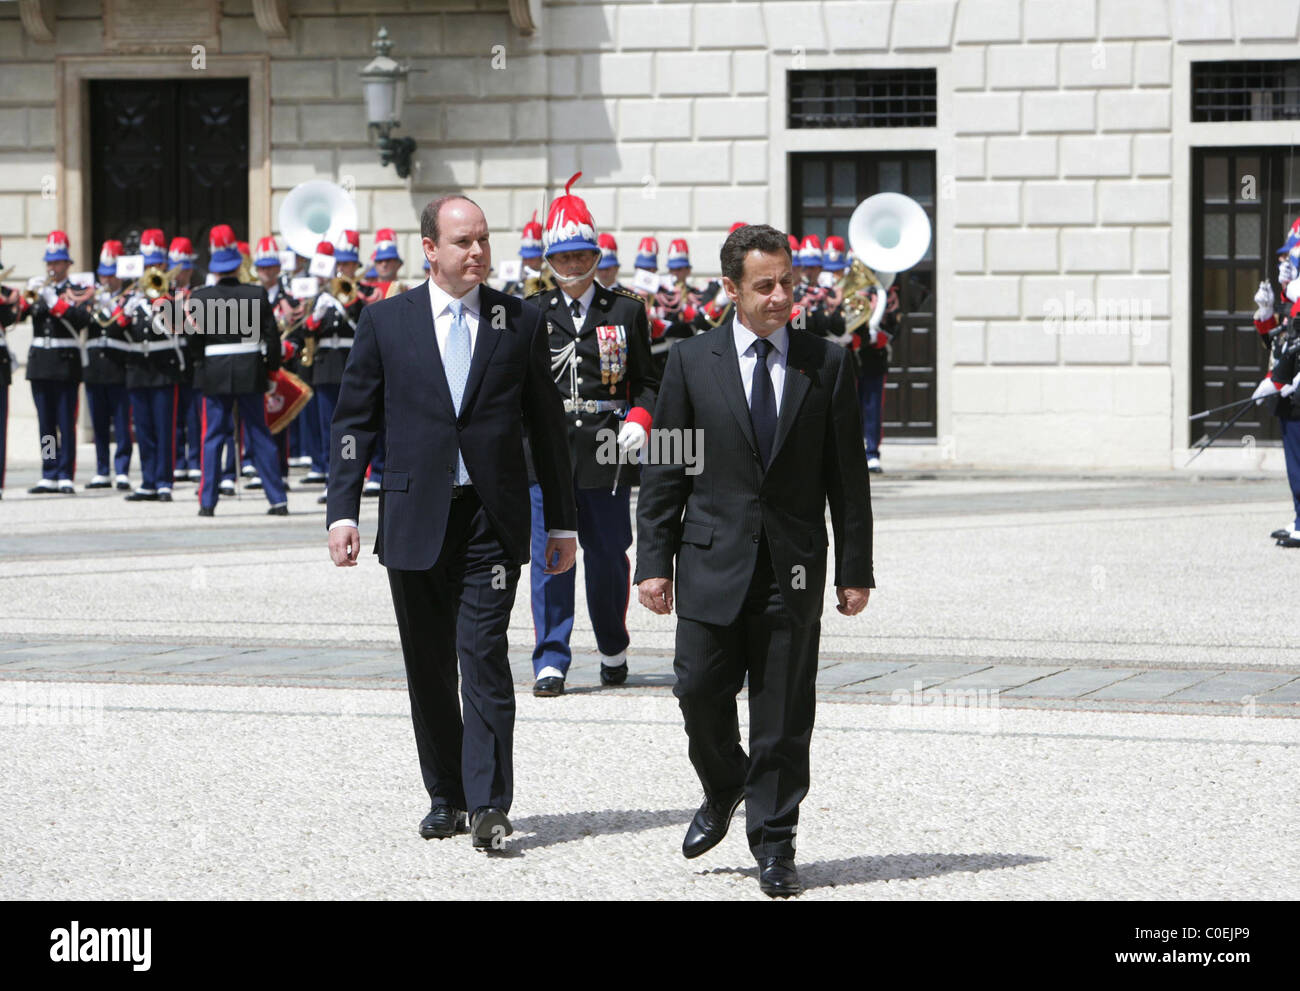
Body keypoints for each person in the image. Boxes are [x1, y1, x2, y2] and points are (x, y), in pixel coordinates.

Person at [326, 194, 577, 851]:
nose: (477, 253)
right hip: (413, 517)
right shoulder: (385, 322)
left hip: (491, 520)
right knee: (430, 664)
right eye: (463, 242)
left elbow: (549, 431)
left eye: (484, 240)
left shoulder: (518, 322)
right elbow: (353, 422)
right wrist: (341, 510)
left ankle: (491, 803)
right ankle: (447, 794)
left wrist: (563, 524)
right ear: (430, 249)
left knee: (483, 656)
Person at [635, 223, 875, 898]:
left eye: (787, 284)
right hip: (710, 560)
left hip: (791, 569)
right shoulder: (689, 361)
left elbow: (847, 476)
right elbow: (664, 474)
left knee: (783, 716)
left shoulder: (825, 362)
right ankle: (723, 782)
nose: (779, 297)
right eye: (764, 285)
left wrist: (856, 567)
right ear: (732, 288)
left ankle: (776, 843)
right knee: (696, 689)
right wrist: (652, 561)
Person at [524, 173, 657, 697]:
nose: (574, 265)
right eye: (565, 256)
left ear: (596, 253)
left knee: (606, 555)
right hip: (548, 453)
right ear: (548, 259)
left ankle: (612, 645)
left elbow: (647, 382)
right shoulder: (530, 313)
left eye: (583, 255)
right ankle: (551, 658)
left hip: (607, 448)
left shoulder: (626, 310)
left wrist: (640, 421)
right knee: (551, 555)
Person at [188, 223, 287, 516]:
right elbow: (272, 338)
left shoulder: (199, 297)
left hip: (215, 372)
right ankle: (277, 499)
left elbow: (193, 342)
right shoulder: (257, 294)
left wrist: (201, 365)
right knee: (258, 433)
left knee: (213, 436)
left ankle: (207, 503)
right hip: (250, 371)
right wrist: (271, 372)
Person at [25, 231, 91, 494]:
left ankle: (66, 473)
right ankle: (49, 470)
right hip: (41, 362)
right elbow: (25, 313)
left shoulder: (77, 290)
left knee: (66, 422)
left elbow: (82, 320)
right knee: (46, 423)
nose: (52, 267)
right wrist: (33, 297)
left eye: (57, 262)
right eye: (49, 262)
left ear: (67, 264)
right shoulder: (41, 289)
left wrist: (56, 302)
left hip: (65, 363)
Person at [84, 239, 134, 491]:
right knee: (99, 423)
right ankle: (102, 469)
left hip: (119, 367)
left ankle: (122, 469)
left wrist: (117, 306)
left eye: (111, 275)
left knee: (122, 422)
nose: (107, 280)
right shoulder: (90, 297)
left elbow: (126, 328)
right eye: (104, 275)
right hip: (95, 369)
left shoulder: (130, 298)